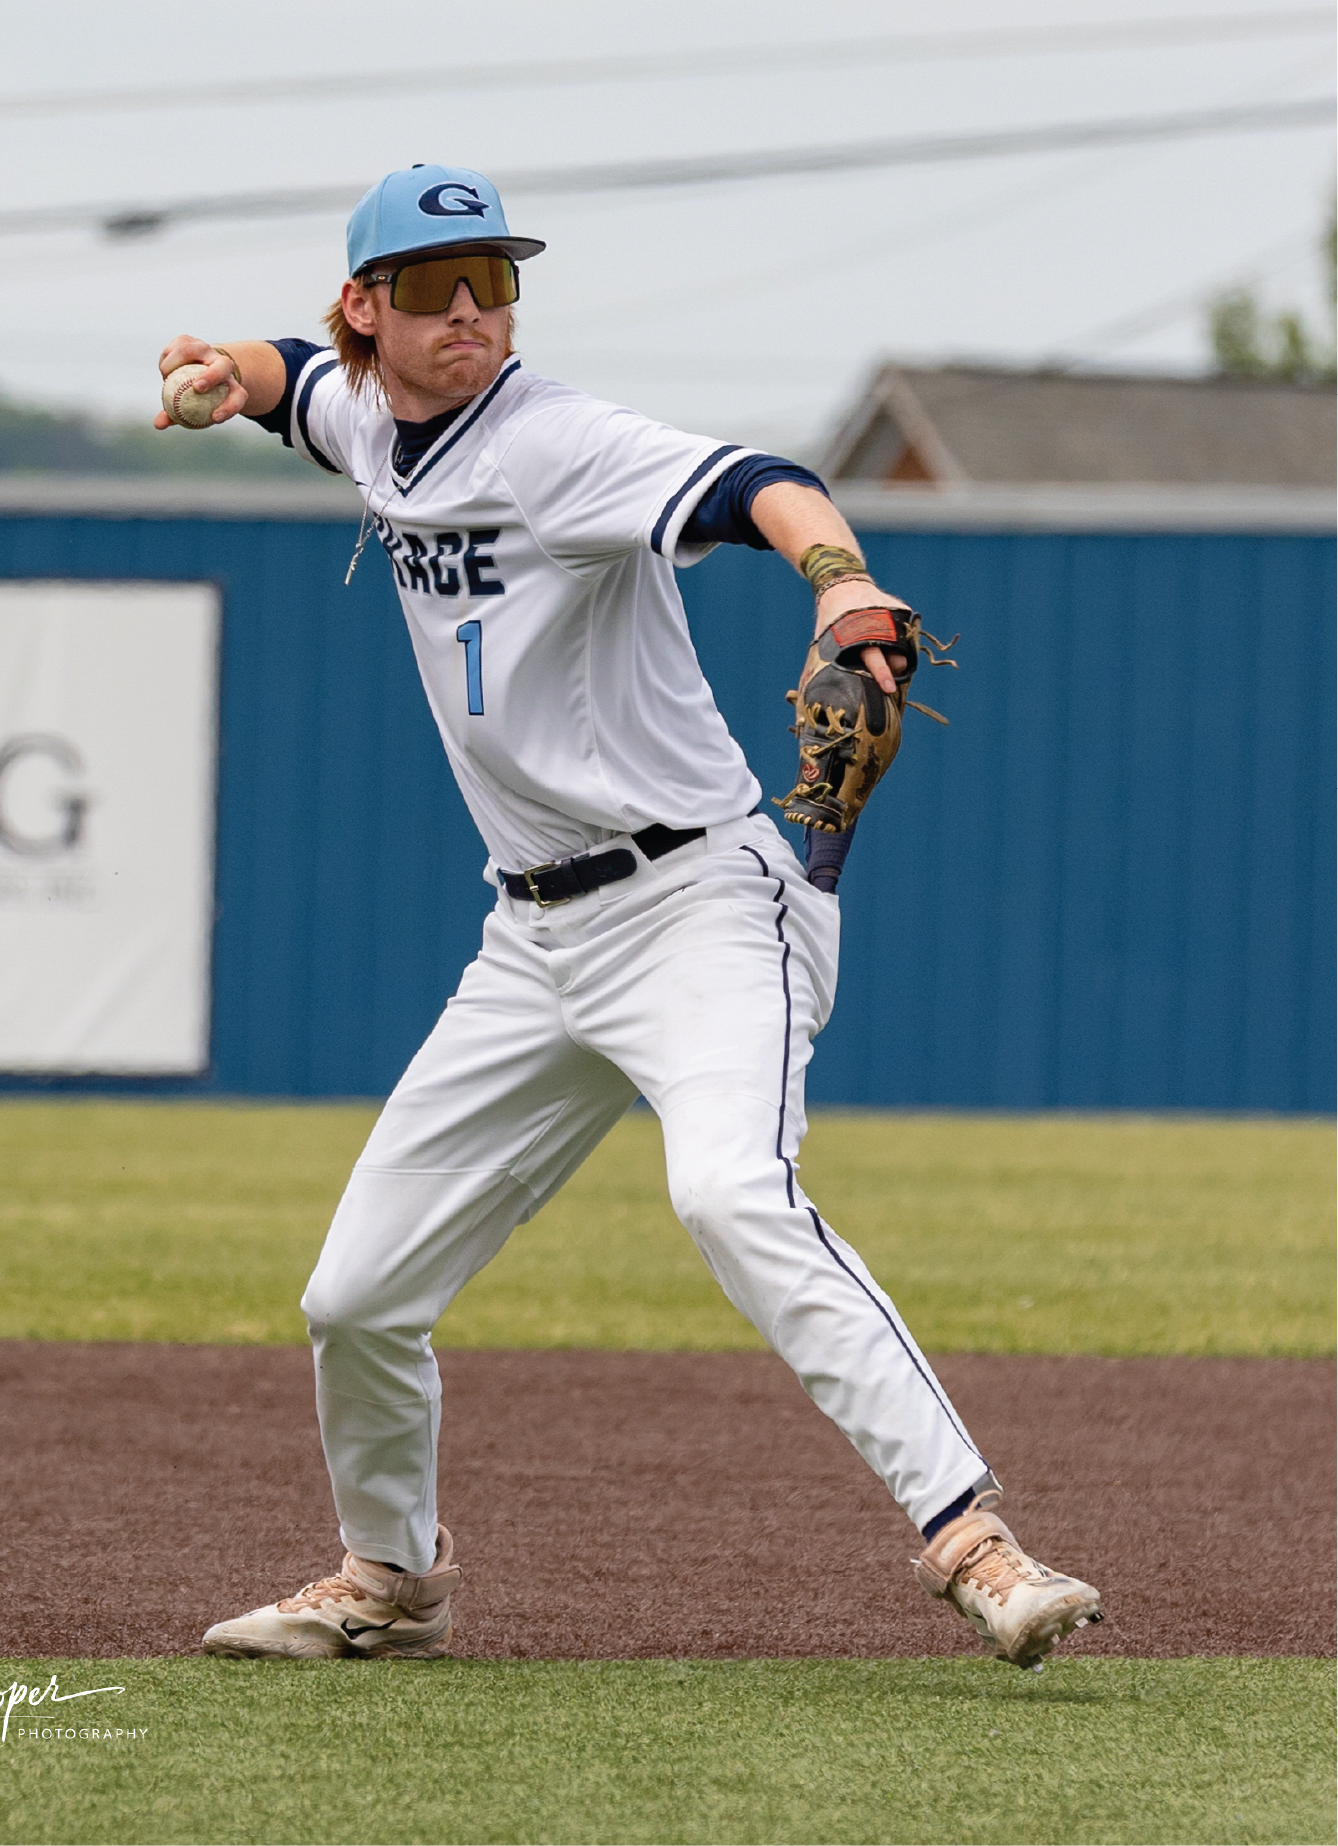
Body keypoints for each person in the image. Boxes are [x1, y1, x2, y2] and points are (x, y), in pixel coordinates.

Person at [159, 164, 1102, 1673]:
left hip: (694, 908)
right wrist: (228, 369)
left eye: (494, 277)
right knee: (353, 1294)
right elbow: (296, 389)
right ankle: (390, 1572)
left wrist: (842, 584)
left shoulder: (558, 440)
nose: (469, 305)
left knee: (731, 1193)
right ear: (365, 310)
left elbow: (756, 482)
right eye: (428, 283)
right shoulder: (362, 412)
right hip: (530, 942)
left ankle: (975, 1542)